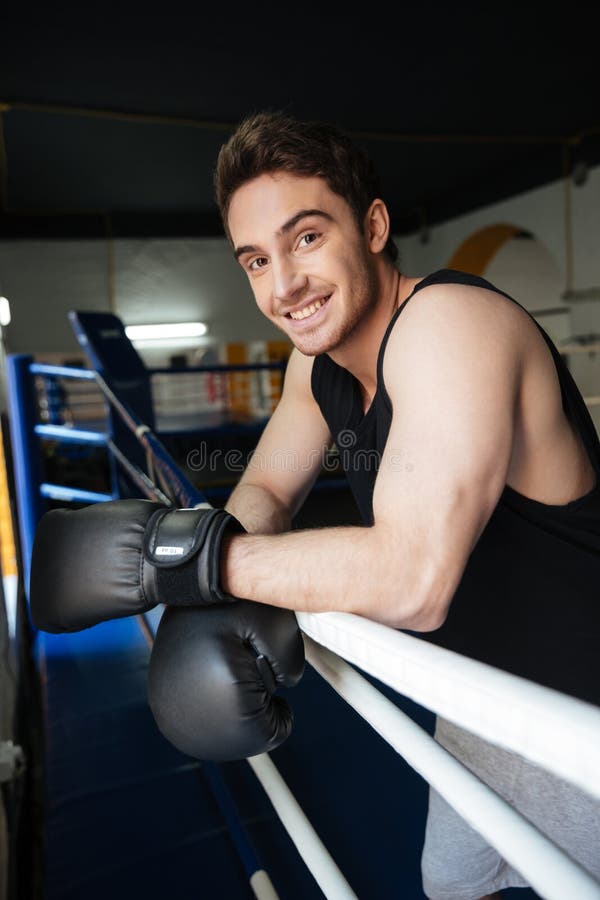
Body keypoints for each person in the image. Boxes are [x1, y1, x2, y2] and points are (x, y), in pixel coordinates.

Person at [29, 111, 600, 899]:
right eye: (257, 260)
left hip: (582, 718)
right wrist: (220, 573)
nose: (284, 285)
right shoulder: (318, 365)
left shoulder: (453, 323)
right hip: (476, 704)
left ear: (372, 225)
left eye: (306, 239)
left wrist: (183, 562)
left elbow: (413, 577)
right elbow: (264, 490)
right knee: (450, 886)